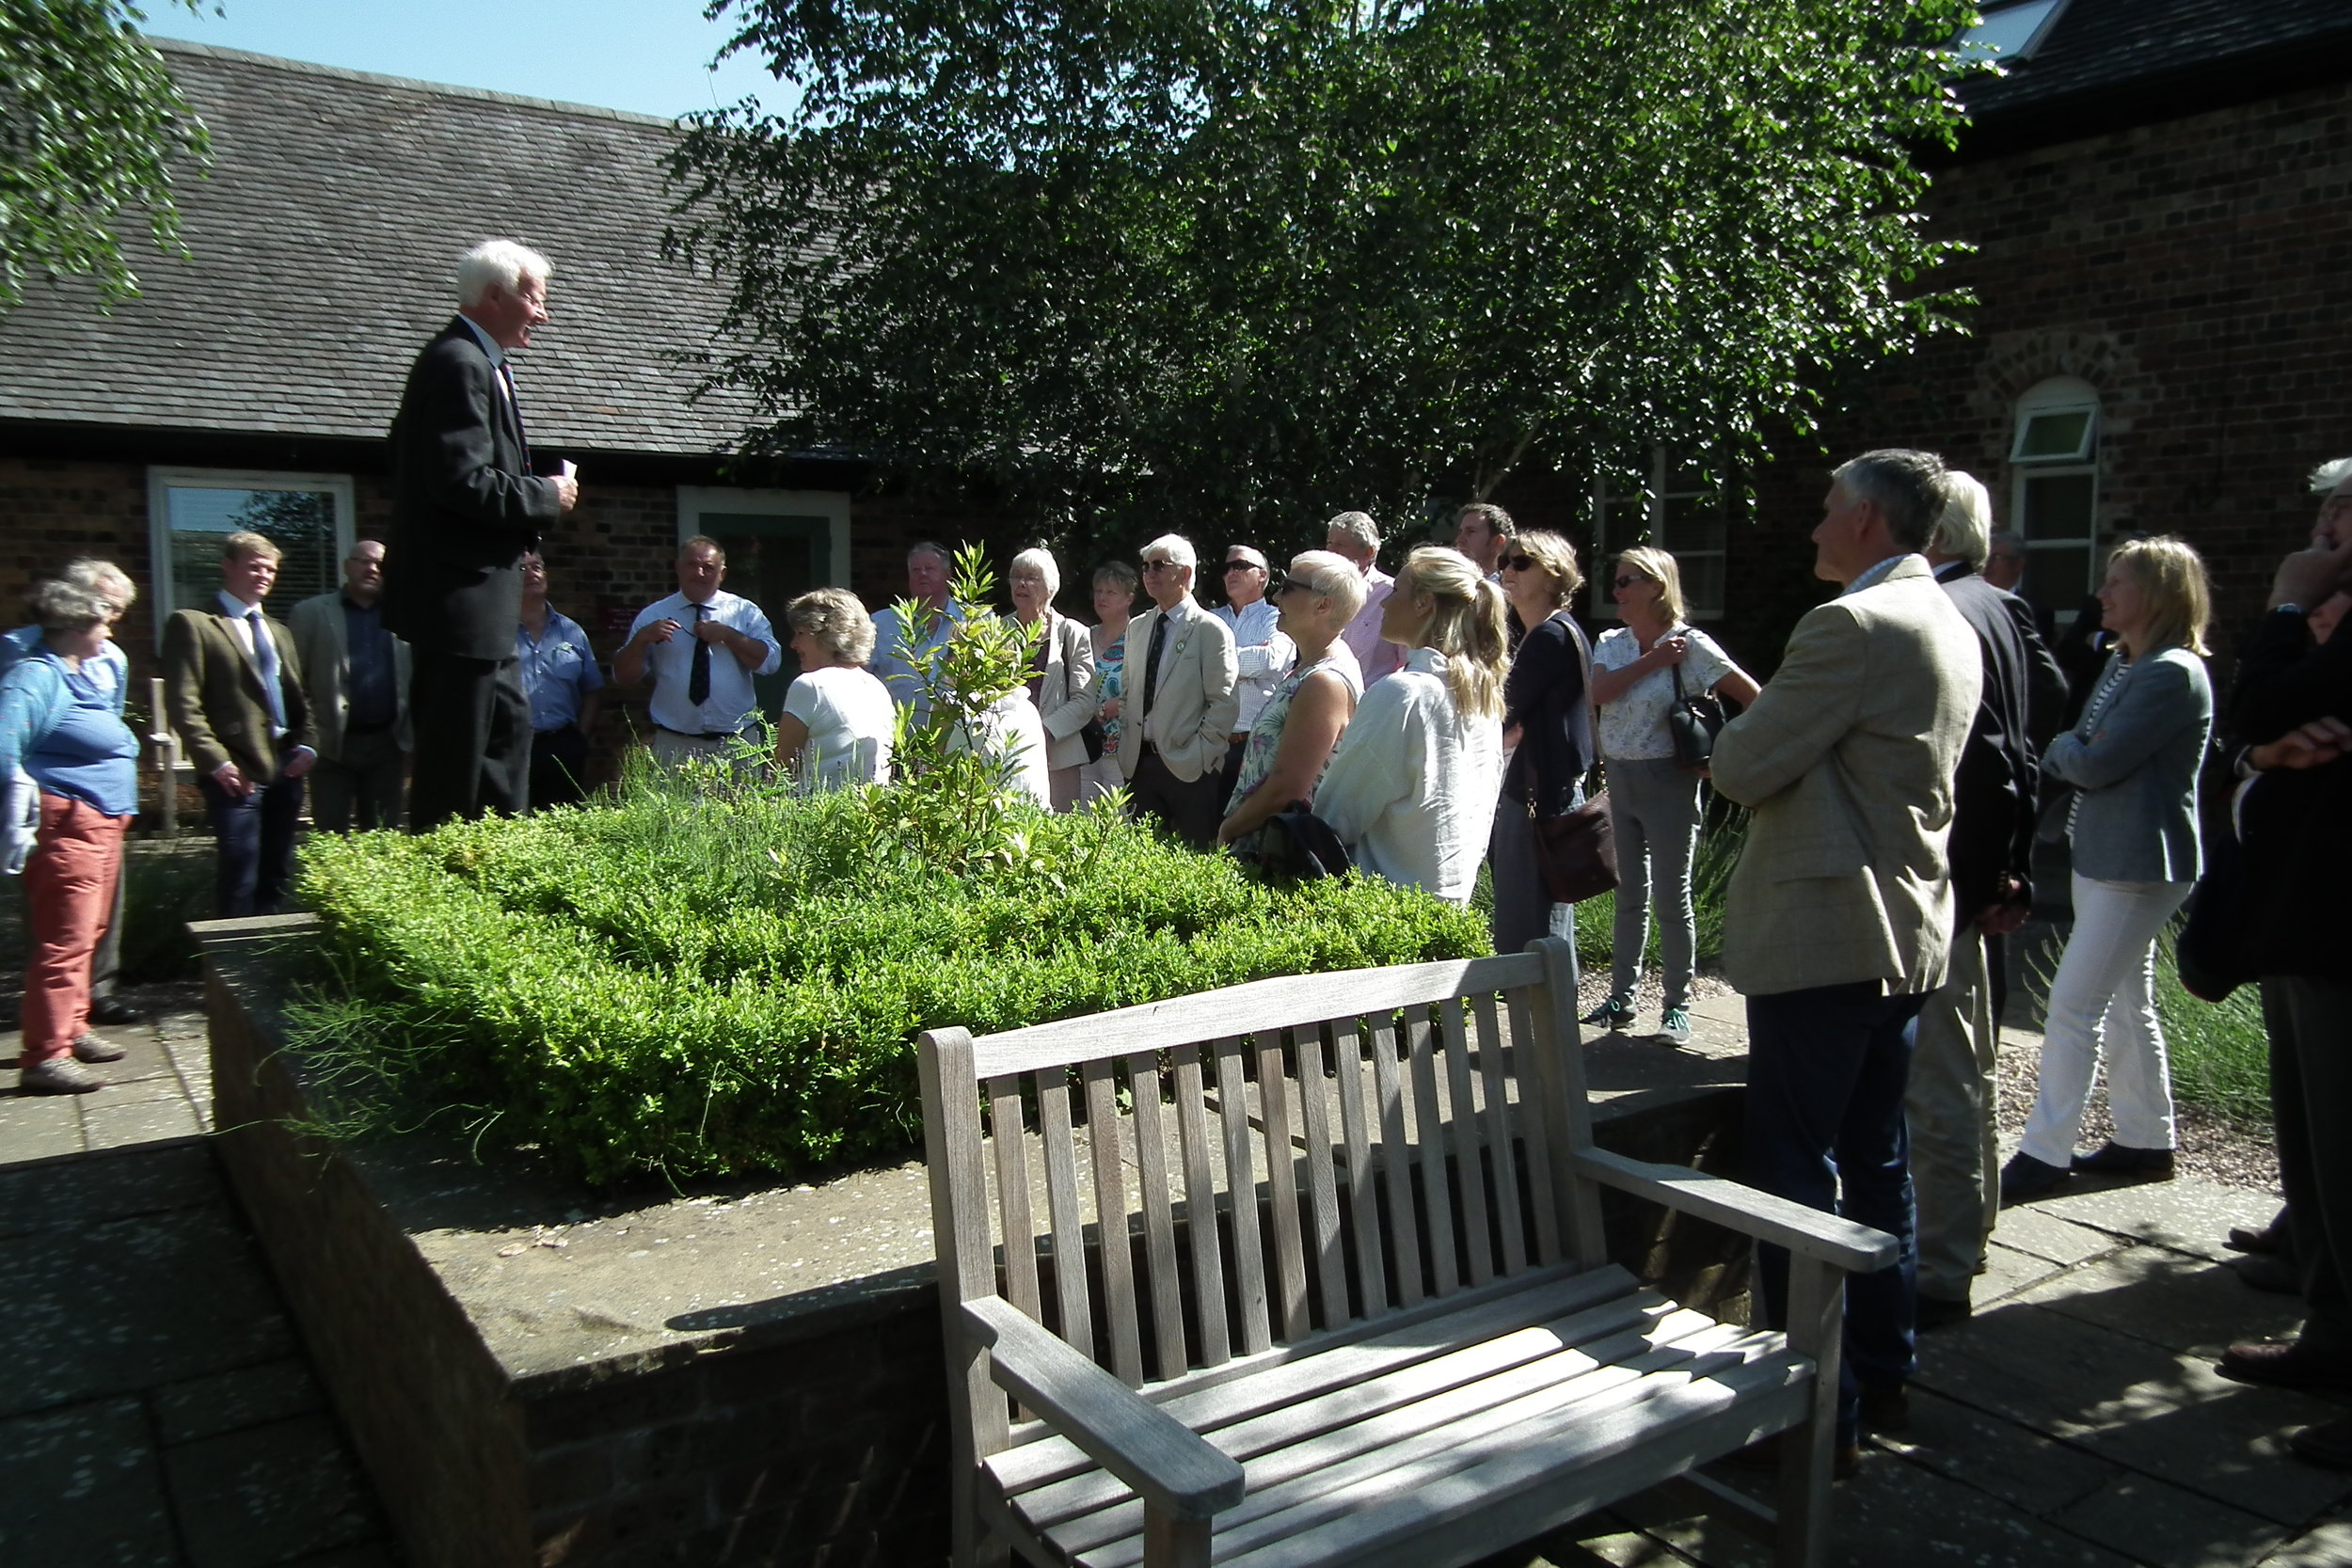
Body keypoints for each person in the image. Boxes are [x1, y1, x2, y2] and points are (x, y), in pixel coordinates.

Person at [1708, 448, 1979, 1462]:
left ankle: (1816, 1414)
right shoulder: (1947, 617)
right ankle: (1882, 1369)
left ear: (1867, 517)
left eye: (1828, 508)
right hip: (1907, 933)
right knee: (1877, 1162)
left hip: (1828, 936)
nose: (1816, 525)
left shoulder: (1851, 625)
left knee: (1792, 1173)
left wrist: (1733, 731)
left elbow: (1741, 765)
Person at [2000, 537, 2215, 1204]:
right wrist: (2078, 746)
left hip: (2137, 864)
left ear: (2156, 593)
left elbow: (2094, 761)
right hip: (2107, 856)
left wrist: (2064, 747)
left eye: (2117, 581)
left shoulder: (2170, 672)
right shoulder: (2129, 663)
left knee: (2073, 1006)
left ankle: (2044, 1152)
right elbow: (2088, 748)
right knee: (2125, 1002)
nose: (2102, 593)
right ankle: (2147, 1139)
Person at [2214, 460, 2352, 1467]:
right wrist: (2265, 756)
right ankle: (2330, 1328)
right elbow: (2256, 734)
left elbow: (2256, 702)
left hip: (2341, 928)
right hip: (2306, 917)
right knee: (2317, 1148)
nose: (2323, 529)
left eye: (2341, 513)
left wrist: (2286, 605)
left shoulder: (2315, 612)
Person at [1907, 473, 2062, 1328]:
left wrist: (1974, 882)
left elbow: (1991, 762)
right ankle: (1975, 1228)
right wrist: (2013, 869)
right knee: (1974, 1064)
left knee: (1939, 1079)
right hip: (1980, 877)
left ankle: (1941, 1265)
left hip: (1944, 884)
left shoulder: (1941, 610)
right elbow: (2038, 728)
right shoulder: (2002, 605)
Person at [382, 239, 580, 831]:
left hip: (481, 608)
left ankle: (494, 865)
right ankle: (442, 871)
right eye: (535, 300)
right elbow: (460, 481)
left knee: (504, 739)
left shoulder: (481, 364)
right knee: (455, 764)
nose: (543, 315)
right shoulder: (459, 363)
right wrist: (546, 496)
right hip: (458, 604)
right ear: (495, 295)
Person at [1583, 546, 1760, 1046]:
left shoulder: (1693, 645)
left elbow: (1755, 698)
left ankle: (1677, 1006)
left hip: (1670, 781)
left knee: (1671, 897)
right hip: (1621, 778)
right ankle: (1621, 997)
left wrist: (1727, 756)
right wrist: (1655, 661)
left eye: (1626, 582)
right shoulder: (1612, 642)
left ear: (1657, 586)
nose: (1616, 591)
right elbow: (1598, 694)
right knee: (1628, 894)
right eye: (1616, 581)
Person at [0, 580, 142, 1093]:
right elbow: (4, 745)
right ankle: (44, 1056)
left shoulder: (70, 672)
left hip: (99, 822)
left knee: (89, 933)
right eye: (102, 623)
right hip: (68, 825)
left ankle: (73, 1028)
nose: (110, 632)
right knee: (65, 939)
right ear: (74, 627)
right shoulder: (34, 676)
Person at [1313, 546, 1509, 903]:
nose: (1384, 604)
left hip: (1382, 912)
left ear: (1424, 603)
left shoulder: (1403, 694)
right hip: (1450, 910)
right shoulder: (1485, 700)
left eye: (1395, 591)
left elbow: (1335, 816)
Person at [162, 531, 318, 917]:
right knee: (239, 873)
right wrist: (216, 761)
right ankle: (234, 949)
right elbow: (183, 704)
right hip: (236, 768)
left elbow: (300, 695)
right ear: (228, 567)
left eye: (271, 570)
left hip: (286, 765)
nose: (264, 575)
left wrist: (310, 744)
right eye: (255, 567)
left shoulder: (278, 631)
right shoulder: (195, 624)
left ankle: (270, 946)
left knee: (277, 870)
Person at [1488, 530, 1597, 961]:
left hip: (1538, 799)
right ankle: (1555, 1005)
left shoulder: (1549, 637)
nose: (1507, 570)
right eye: (1505, 562)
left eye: (1521, 563)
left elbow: (1501, 711)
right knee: (1546, 929)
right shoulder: (1559, 632)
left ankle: (1544, 1008)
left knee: (1527, 933)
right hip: (1552, 794)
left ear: (1553, 574)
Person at [1216, 551, 1366, 858]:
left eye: (1288, 588)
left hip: (1279, 851)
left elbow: (1288, 788)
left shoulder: (1324, 682)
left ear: (1323, 605)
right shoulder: (1311, 667)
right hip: (1266, 839)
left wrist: (1228, 830)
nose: (1275, 597)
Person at [615, 536, 780, 773]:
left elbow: (771, 662)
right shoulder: (654, 615)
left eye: (708, 567)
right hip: (674, 743)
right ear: (678, 567)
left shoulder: (744, 612)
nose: (699, 573)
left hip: (737, 744)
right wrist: (641, 640)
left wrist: (729, 635)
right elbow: (623, 676)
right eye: (691, 565)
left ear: (722, 574)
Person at [1116, 535, 1238, 848]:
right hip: (1138, 764)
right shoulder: (1137, 627)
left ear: (1184, 573)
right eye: (1145, 566)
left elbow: (1223, 703)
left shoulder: (1211, 630)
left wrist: (1200, 755)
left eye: (1158, 565)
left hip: (1190, 768)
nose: (1148, 573)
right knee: (1142, 860)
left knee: (1192, 859)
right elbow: (1128, 691)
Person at [289, 538, 411, 833]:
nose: (372, 569)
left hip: (387, 744)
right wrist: (309, 734)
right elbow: (294, 680)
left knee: (383, 836)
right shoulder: (310, 613)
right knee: (330, 835)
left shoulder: (405, 616)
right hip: (332, 744)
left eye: (380, 564)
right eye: (364, 561)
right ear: (346, 567)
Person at [1005, 547, 1097, 810]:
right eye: (1016, 576)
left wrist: (1040, 732)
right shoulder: (997, 631)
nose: (1021, 583)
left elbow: (1084, 700)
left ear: (1050, 588)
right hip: (1006, 751)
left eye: (1031, 577)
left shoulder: (1073, 633)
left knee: (1058, 825)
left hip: (1059, 756)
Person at [775, 588, 895, 791]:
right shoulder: (878, 688)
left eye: (801, 633)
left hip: (819, 808)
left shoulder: (810, 685)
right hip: (873, 807)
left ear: (828, 635)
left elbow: (781, 771)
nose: (793, 644)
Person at [515, 551, 604, 809]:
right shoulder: (499, 634)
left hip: (563, 745)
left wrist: (580, 737)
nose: (532, 573)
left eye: (537, 566)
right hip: (514, 747)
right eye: (522, 568)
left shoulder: (571, 632)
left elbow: (593, 689)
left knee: (562, 822)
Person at [1215, 545, 1296, 810]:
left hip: (1256, 744)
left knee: (1246, 823)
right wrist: (1247, 664)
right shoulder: (1211, 619)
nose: (1230, 573)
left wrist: (1214, 663)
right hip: (1210, 744)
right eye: (1226, 568)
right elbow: (1191, 666)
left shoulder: (1277, 618)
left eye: (1239, 566)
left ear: (1262, 575)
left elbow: (1271, 659)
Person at [870, 543, 967, 724]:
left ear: (948, 575)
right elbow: (859, 678)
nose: (922, 574)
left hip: (960, 736)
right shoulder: (881, 623)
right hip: (897, 736)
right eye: (915, 570)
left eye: (930, 568)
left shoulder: (974, 620)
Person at [1078, 562, 1137, 805]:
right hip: (1082, 744)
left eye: (1110, 592)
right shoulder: (1084, 636)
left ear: (1129, 598)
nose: (1101, 597)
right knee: (1081, 816)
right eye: (1098, 591)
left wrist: (1105, 709)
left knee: (1118, 819)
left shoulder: (1139, 637)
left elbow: (1146, 689)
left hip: (1121, 748)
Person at [1325, 511, 1403, 686]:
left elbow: (1407, 663)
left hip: (1371, 698)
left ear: (1368, 552)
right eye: (1329, 543)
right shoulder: (1317, 589)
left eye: (1340, 545)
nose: (1330, 551)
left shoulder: (1392, 594)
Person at [1453, 502, 1511, 578]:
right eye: (1460, 532)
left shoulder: (1513, 584)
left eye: (1471, 531)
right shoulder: (1447, 582)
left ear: (1498, 542)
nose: (1459, 540)